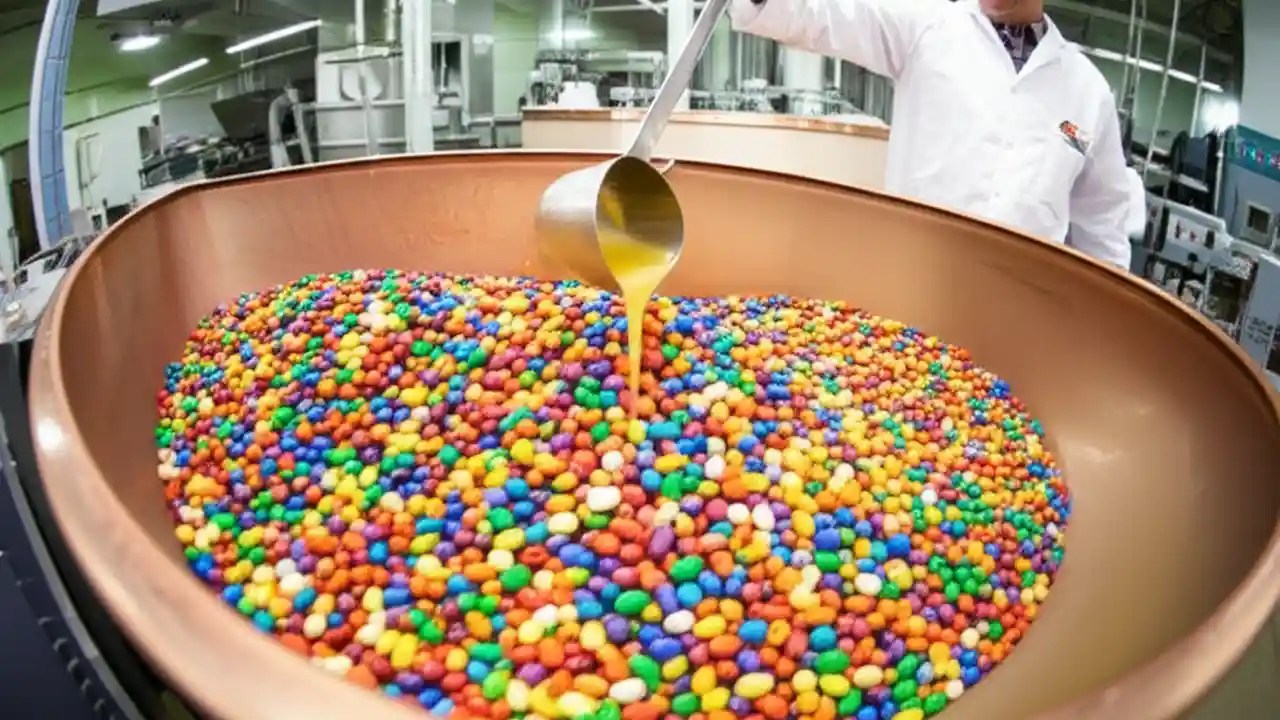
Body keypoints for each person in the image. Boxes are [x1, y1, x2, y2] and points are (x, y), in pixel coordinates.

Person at [731, 0, 1133, 268]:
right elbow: (826, 15)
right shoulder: (929, 26)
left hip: (1018, 316)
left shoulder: (1087, 93)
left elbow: (1102, 226)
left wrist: (1098, 325)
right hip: (912, 284)